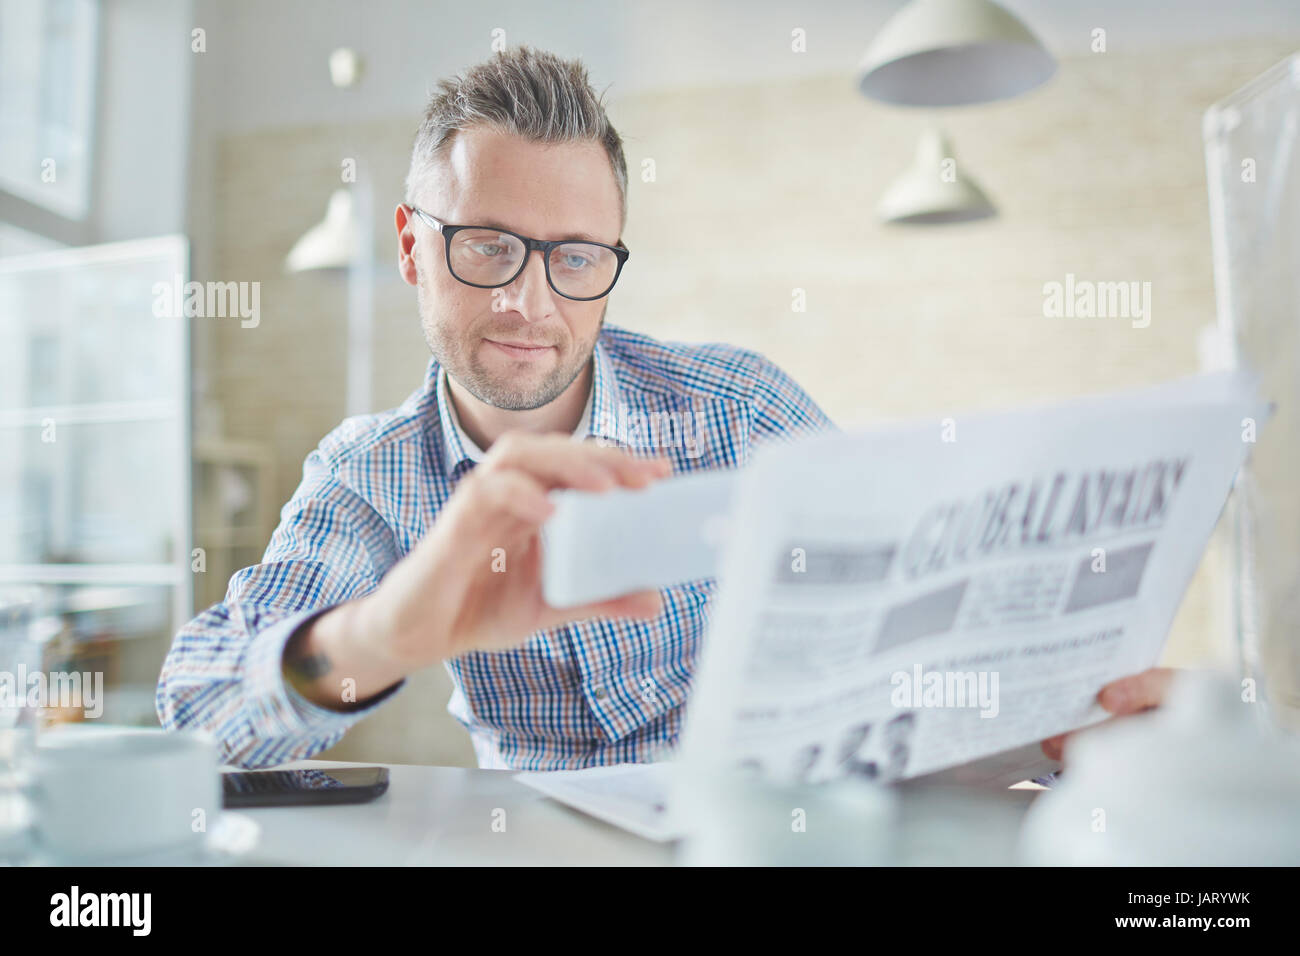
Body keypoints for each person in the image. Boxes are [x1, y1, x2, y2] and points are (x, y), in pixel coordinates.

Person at [157, 45, 1175, 773]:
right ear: (413, 246)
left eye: (577, 257)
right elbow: (197, 712)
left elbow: (912, 631)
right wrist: (377, 632)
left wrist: (1068, 711)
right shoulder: (367, 473)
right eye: (485, 244)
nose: (529, 300)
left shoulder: (740, 409)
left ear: (612, 258)